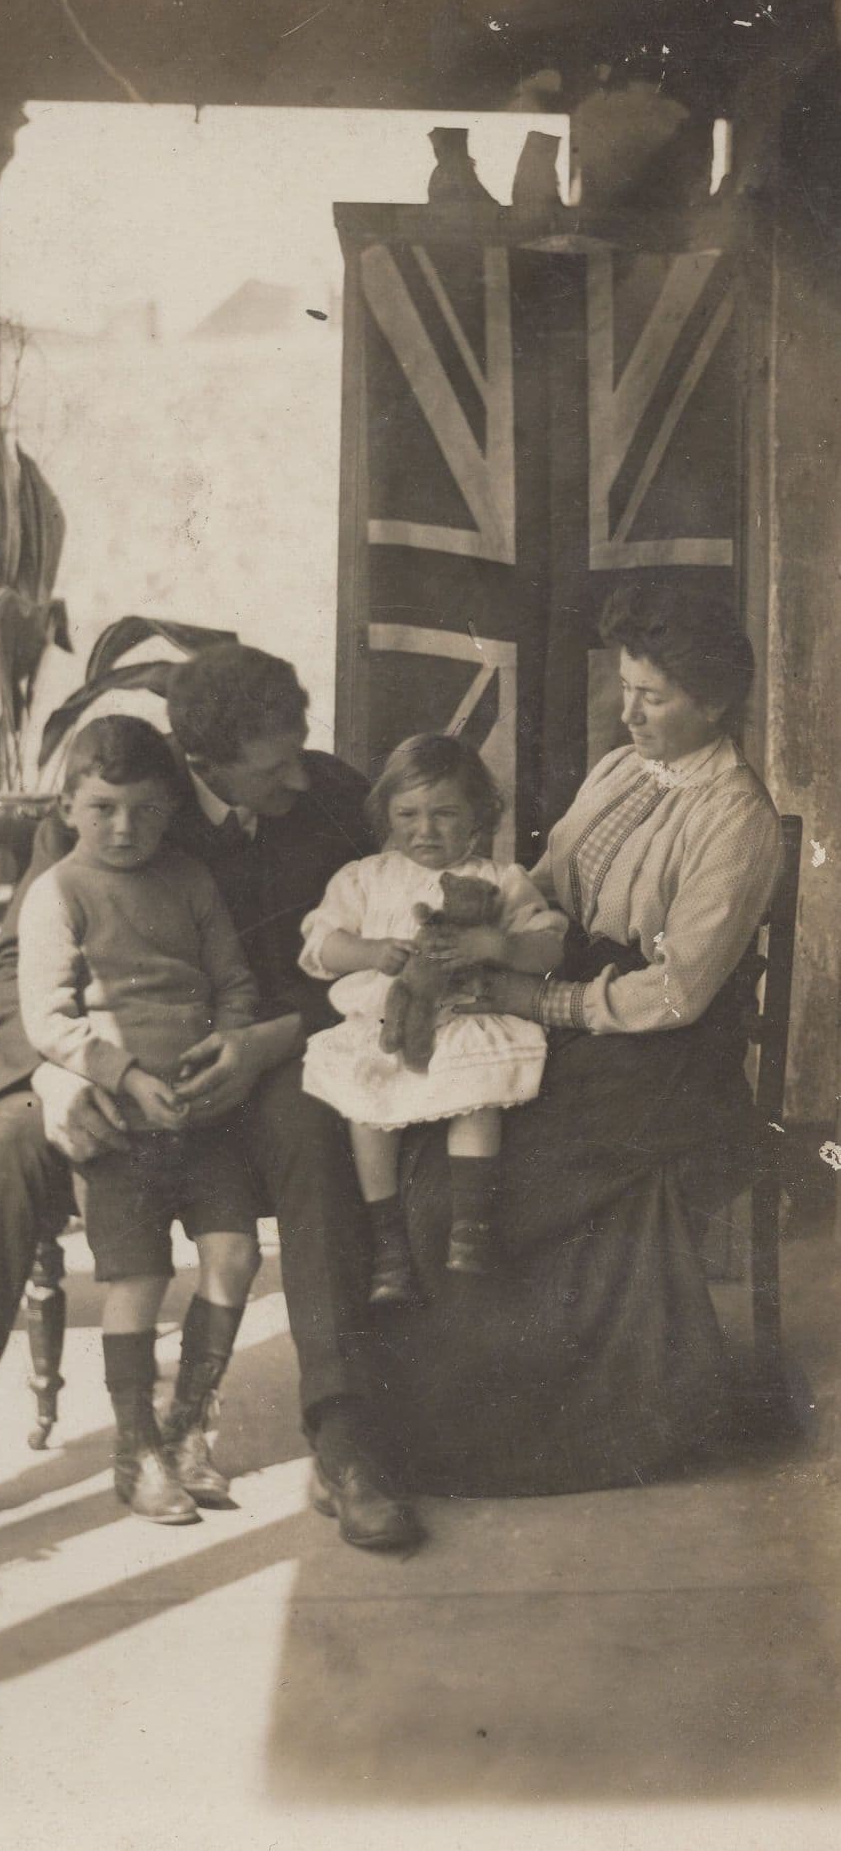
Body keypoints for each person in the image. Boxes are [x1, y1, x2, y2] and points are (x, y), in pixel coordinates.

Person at [0, 644, 421, 1563]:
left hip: (280, 1061)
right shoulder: (120, 790)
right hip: (110, 1068)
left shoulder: (334, 801)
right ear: (204, 763)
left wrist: (269, 1038)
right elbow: (9, 970)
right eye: (272, 761)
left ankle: (346, 1443)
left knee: (317, 1129)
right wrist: (54, 1074)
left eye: (298, 746)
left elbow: (395, 941)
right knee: (3, 1141)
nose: (299, 773)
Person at [381, 587, 785, 1496]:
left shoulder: (739, 818)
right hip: (575, 1005)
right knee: (441, 1126)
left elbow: (678, 991)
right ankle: (472, 1411)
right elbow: (547, 885)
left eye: (654, 697)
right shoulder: (617, 772)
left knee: (486, 1183)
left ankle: (580, 1425)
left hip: (667, 1051)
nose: (628, 711)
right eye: (628, 689)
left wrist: (538, 997)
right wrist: (472, 925)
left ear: (715, 704)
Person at [16, 715, 260, 1523]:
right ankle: (137, 1447)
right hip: (120, 1125)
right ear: (68, 805)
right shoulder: (58, 893)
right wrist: (119, 1074)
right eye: (104, 808)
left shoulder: (191, 880)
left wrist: (229, 1044)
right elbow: (47, 1021)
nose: (125, 828)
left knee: (233, 1254)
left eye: (147, 811)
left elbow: (233, 981)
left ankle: (189, 1432)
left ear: (171, 811)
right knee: (138, 1279)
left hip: (206, 1110)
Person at [298, 735, 567, 1302]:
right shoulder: (362, 877)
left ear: (478, 815)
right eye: (408, 815)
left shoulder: (501, 879)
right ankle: (388, 1240)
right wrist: (372, 953)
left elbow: (546, 947)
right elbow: (321, 946)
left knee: (478, 1093)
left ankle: (471, 1228)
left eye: (445, 814)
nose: (426, 829)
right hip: (384, 1027)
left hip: (464, 1016)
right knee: (365, 1106)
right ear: (386, 817)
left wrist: (493, 944)